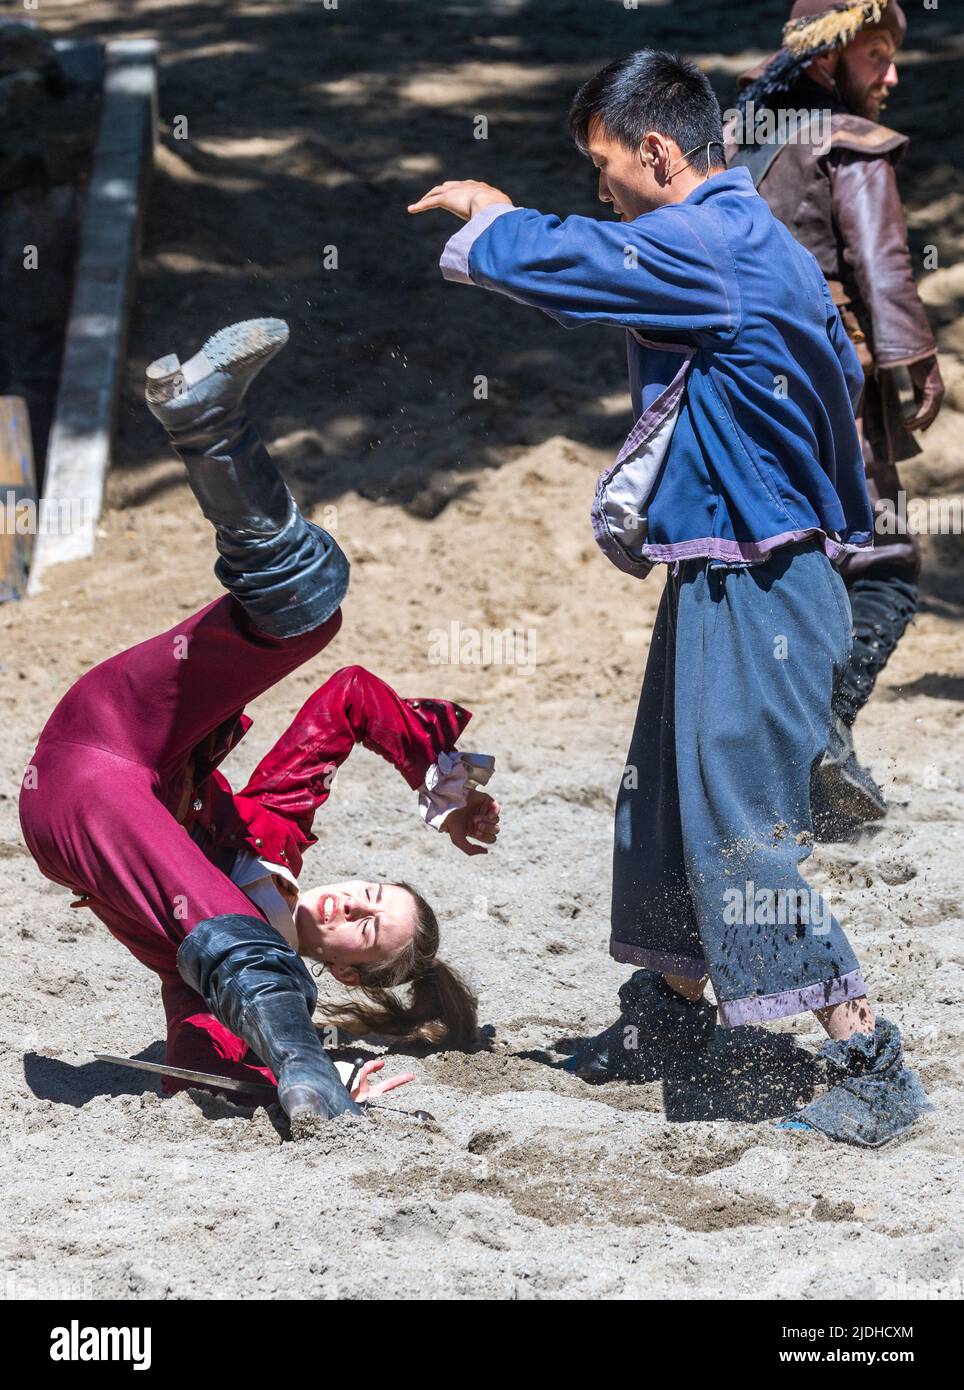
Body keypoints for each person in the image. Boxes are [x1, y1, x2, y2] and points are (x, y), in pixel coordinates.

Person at [409, 49, 929, 1145]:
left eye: (603, 165)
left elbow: (589, 258)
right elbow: (616, 280)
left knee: (740, 831)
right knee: (662, 811)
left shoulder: (717, 239)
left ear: (655, 151)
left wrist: (497, 218)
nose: (601, 189)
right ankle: (670, 1020)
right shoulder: (735, 243)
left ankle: (867, 1059)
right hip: (734, 573)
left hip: (764, 587)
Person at [19, 319, 500, 1137]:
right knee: (311, 610)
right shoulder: (274, 834)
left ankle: (310, 1077)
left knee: (232, 943)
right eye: (372, 896)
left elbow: (192, 1056)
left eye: (364, 931)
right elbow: (346, 699)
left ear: (348, 974)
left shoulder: (209, 963)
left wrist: (301, 1057)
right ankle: (208, 421)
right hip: (116, 725)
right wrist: (436, 773)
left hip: (80, 810)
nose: (351, 907)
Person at [728, 0, 944, 829]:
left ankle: (793, 760)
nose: (892, 75)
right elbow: (881, 258)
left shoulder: (741, 133)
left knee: (786, 569)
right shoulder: (844, 141)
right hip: (825, 390)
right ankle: (824, 739)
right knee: (883, 562)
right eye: (878, 56)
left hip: (737, 390)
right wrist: (912, 355)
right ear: (827, 61)